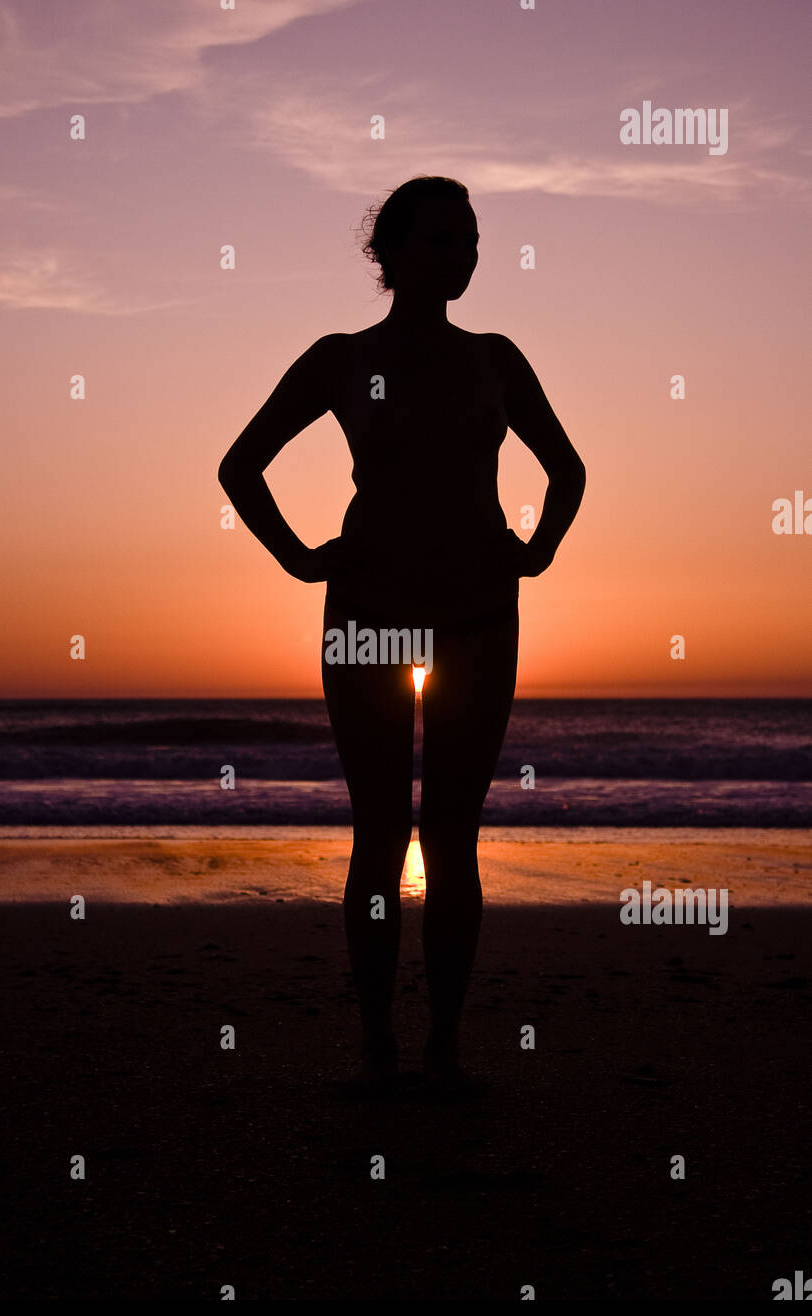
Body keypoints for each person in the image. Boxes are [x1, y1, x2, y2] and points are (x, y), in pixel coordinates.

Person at [218, 176, 586, 1098]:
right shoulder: (342, 359)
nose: (460, 256)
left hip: (479, 617)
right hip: (367, 616)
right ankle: (381, 1047)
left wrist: (536, 552)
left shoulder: (496, 359)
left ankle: (446, 1048)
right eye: (441, 240)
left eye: (470, 240)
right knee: (379, 834)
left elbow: (568, 467)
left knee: (454, 837)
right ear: (391, 252)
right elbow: (240, 464)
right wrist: (302, 560)